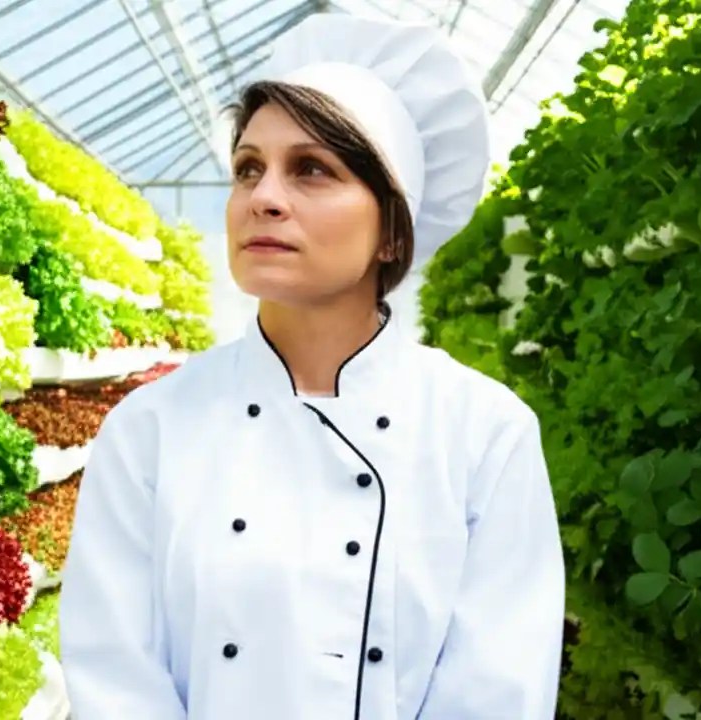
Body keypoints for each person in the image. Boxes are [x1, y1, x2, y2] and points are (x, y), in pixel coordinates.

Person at [59, 12, 566, 720]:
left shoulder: (484, 433)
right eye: (248, 169)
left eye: (312, 170)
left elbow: (497, 689)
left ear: (392, 230)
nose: (263, 197)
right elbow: (115, 675)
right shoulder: (149, 429)